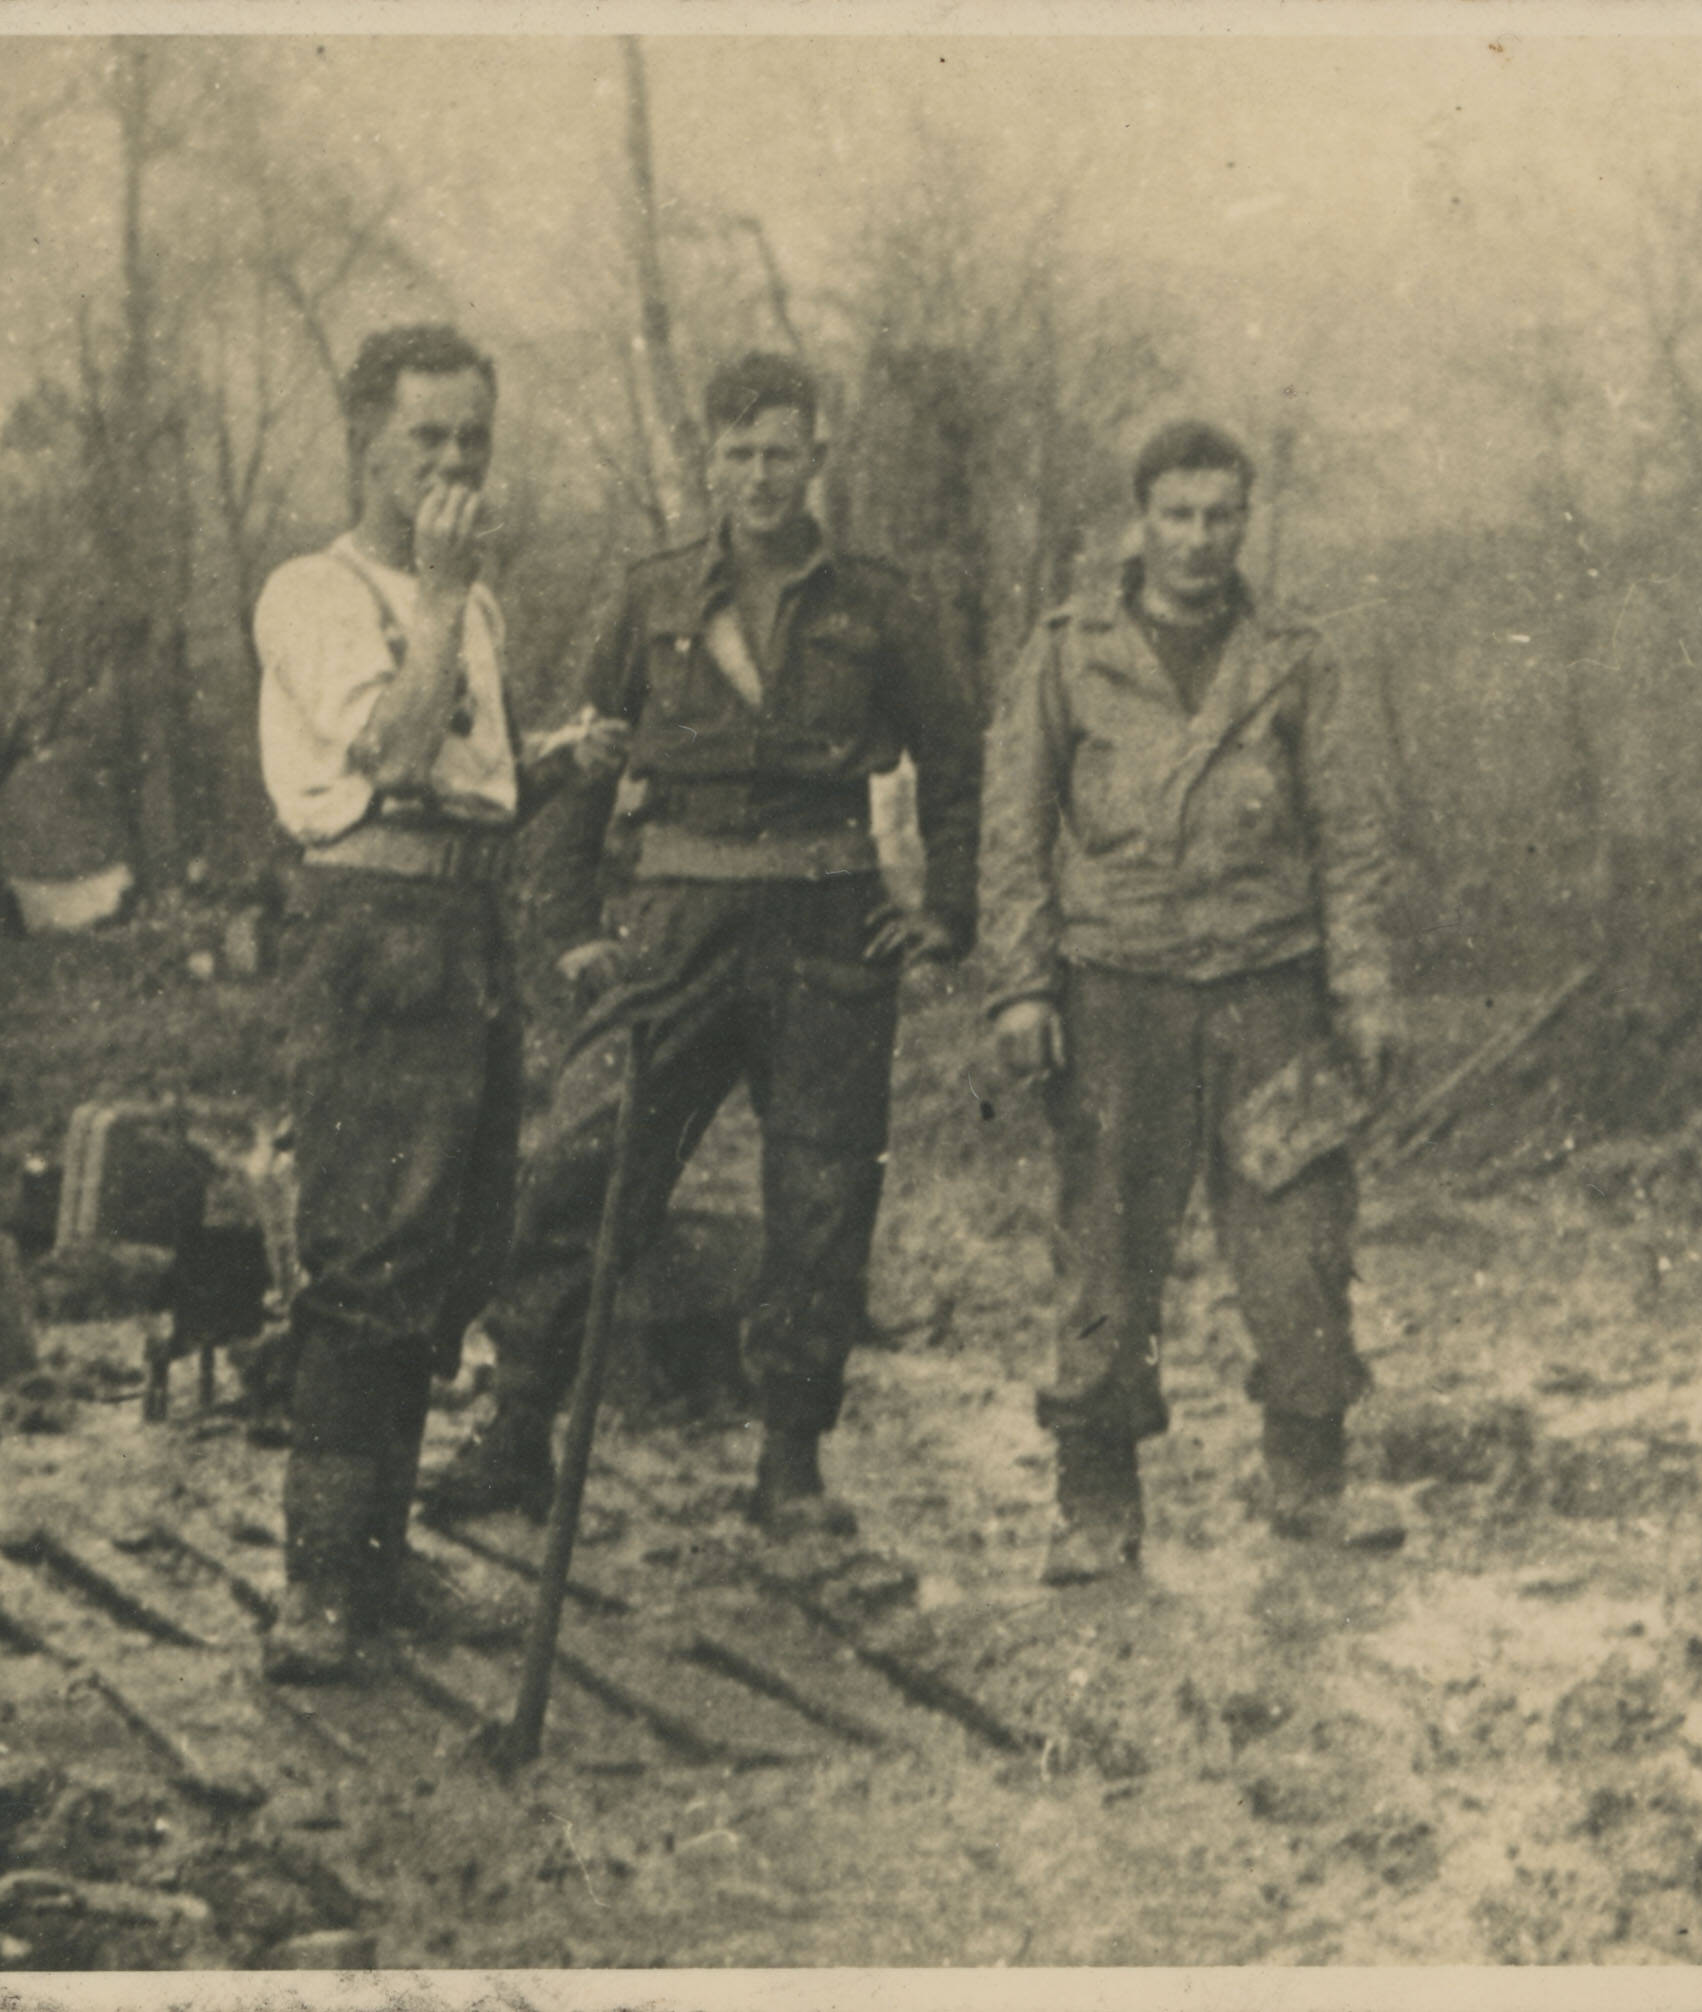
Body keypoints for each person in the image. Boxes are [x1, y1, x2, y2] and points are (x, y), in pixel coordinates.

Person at [426, 351, 981, 1539]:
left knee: (822, 1197)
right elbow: (583, 758)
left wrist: (947, 908)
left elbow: (958, 758)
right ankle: (516, 1426)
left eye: (782, 450)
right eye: (737, 452)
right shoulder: (648, 596)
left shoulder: (875, 603)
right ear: (708, 461)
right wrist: (569, 924)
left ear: (816, 456)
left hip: (830, 934)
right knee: (580, 1162)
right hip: (670, 931)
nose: (760, 475)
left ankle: (789, 1459)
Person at [251, 324, 624, 1682]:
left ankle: (378, 1563)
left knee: (455, 1251)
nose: (456, 462)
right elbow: (394, 751)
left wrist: (558, 760)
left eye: (474, 437)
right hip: (374, 936)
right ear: (364, 446)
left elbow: (468, 777)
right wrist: (448, 589)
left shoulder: (468, 602)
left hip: (466, 929)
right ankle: (317, 1590)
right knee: (368, 1253)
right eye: (427, 438)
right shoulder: (311, 591)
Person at [979, 419, 1408, 1586]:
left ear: (1245, 520)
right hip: (1117, 996)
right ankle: (1095, 1501)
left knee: (1300, 1243)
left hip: (1273, 996)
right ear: (1139, 520)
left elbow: (1351, 840)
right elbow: (1012, 831)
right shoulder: (1068, 652)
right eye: (1176, 514)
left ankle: (1307, 1480)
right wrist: (1019, 985)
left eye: (1221, 514)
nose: (1198, 538)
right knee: (1108, 1251)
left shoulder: (1296, 658)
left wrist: (1361, 991)